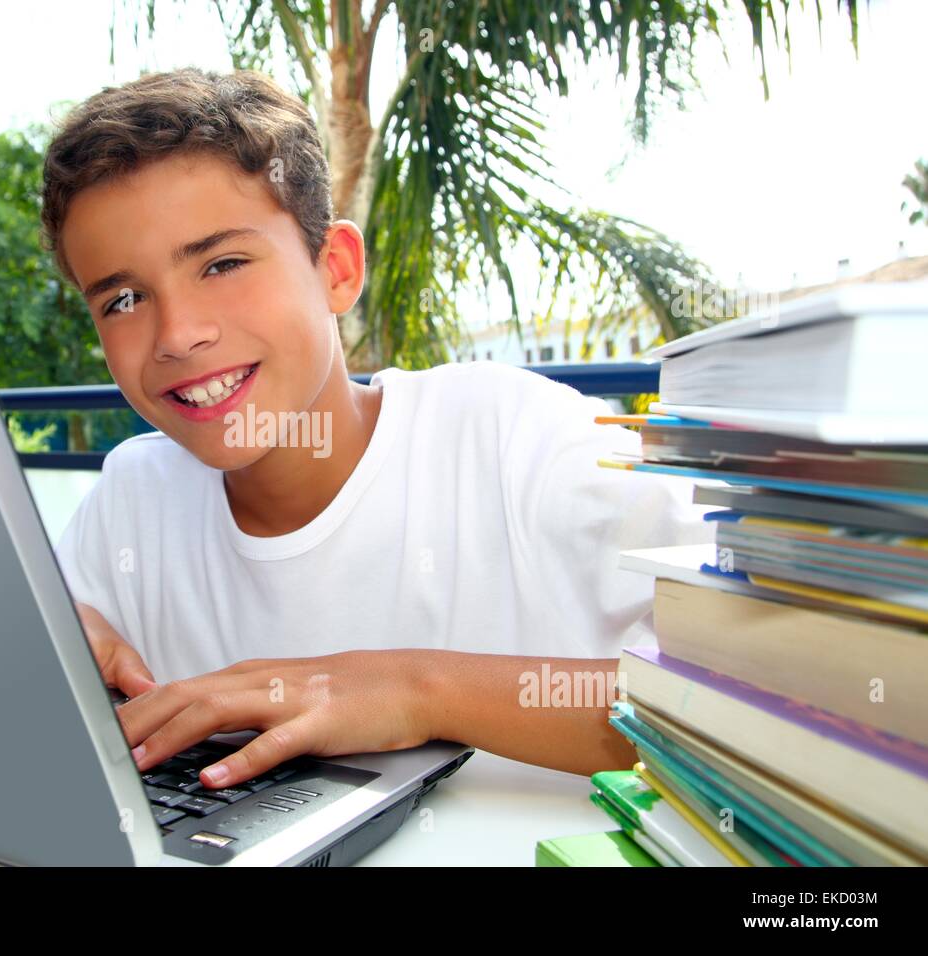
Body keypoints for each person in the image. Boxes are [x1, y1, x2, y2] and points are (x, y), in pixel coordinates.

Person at [40, 67, 708, 788]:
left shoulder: (518, 441)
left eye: (223, 263)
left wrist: (417, 689)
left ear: (337, 269)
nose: (177, 333)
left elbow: (790, 707)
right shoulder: (134, 500)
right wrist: (36, 651)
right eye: (124, 299)